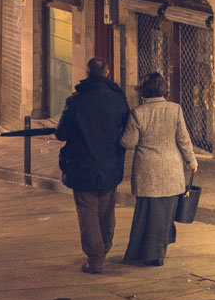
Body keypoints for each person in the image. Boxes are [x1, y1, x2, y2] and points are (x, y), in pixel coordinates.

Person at [55, 57, 130, 274]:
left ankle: (95, 259)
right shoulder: (118, 99)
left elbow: (62, 133)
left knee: (87, 212)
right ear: (107, 73)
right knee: (106, 211)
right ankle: (103, 248)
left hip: (82, 166)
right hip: (110, 165)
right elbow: (126, 129)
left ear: (87, 74)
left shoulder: (75, 100)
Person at [121, 72, 198, 266]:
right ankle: (157, 254)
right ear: (164, 89)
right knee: (164, 216)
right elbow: (183, 139)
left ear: (143, 90)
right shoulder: (175, 110)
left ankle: (140, 253)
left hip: (147, 172)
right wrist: (191, 161)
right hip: (171, 171)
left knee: (144, 215)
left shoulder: (138, 113)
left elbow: (128, 142)